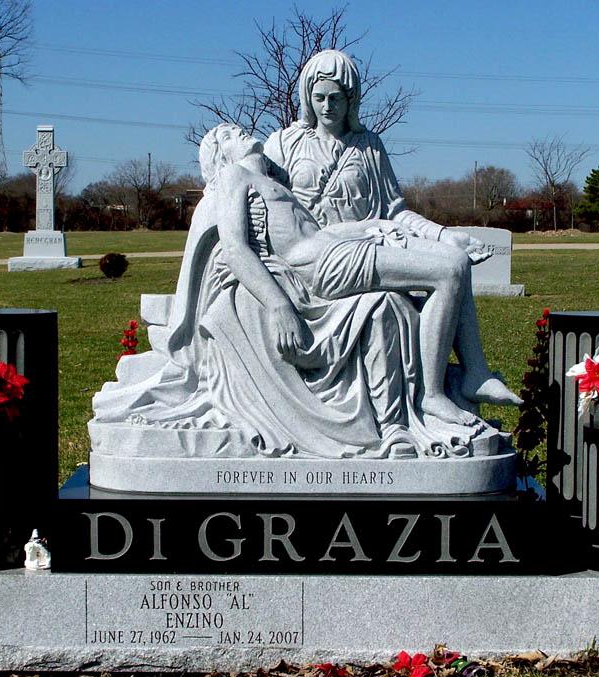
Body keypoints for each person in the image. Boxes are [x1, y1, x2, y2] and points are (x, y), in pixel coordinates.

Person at [91, 124, 500, 459]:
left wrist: (371, 228)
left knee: (434, 270)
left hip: (336, 250)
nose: (240, 130)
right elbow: (235, 249)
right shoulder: (235, 177)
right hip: (319, 269)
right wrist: (278, 306)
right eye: (229, 133)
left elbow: (319, 232)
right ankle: (440, 391)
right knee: (448, 268)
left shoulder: (276, 185)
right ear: (220, 156)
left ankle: (440, 394)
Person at [264, 49, 520, 406]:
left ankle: (475, 373)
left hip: (374, 243)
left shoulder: (369, 146)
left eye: (335, 98)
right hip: (325, 258)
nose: (326, 107)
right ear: (307, 96)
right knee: (447, 271)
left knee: (456, 260)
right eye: (318, 97)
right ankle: (432, 394)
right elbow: (260, 207)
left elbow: (397, 212)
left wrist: (444, 235)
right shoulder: (282, 145)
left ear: (351, 99)